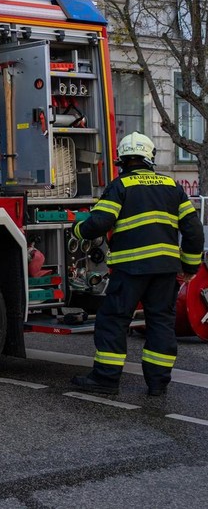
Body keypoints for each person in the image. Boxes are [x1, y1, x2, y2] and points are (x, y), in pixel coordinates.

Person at [70, 132, 204, 397]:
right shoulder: (171, 186)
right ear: (150, 157)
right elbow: (194, 232)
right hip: (164, 270)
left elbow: (99, 223)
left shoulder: (121, 186)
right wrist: (189, 266)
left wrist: (78, 231)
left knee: (113, 320)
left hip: (130, 270)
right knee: (161, 323)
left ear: (123, 158)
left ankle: (106, 379)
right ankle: (157, 384)